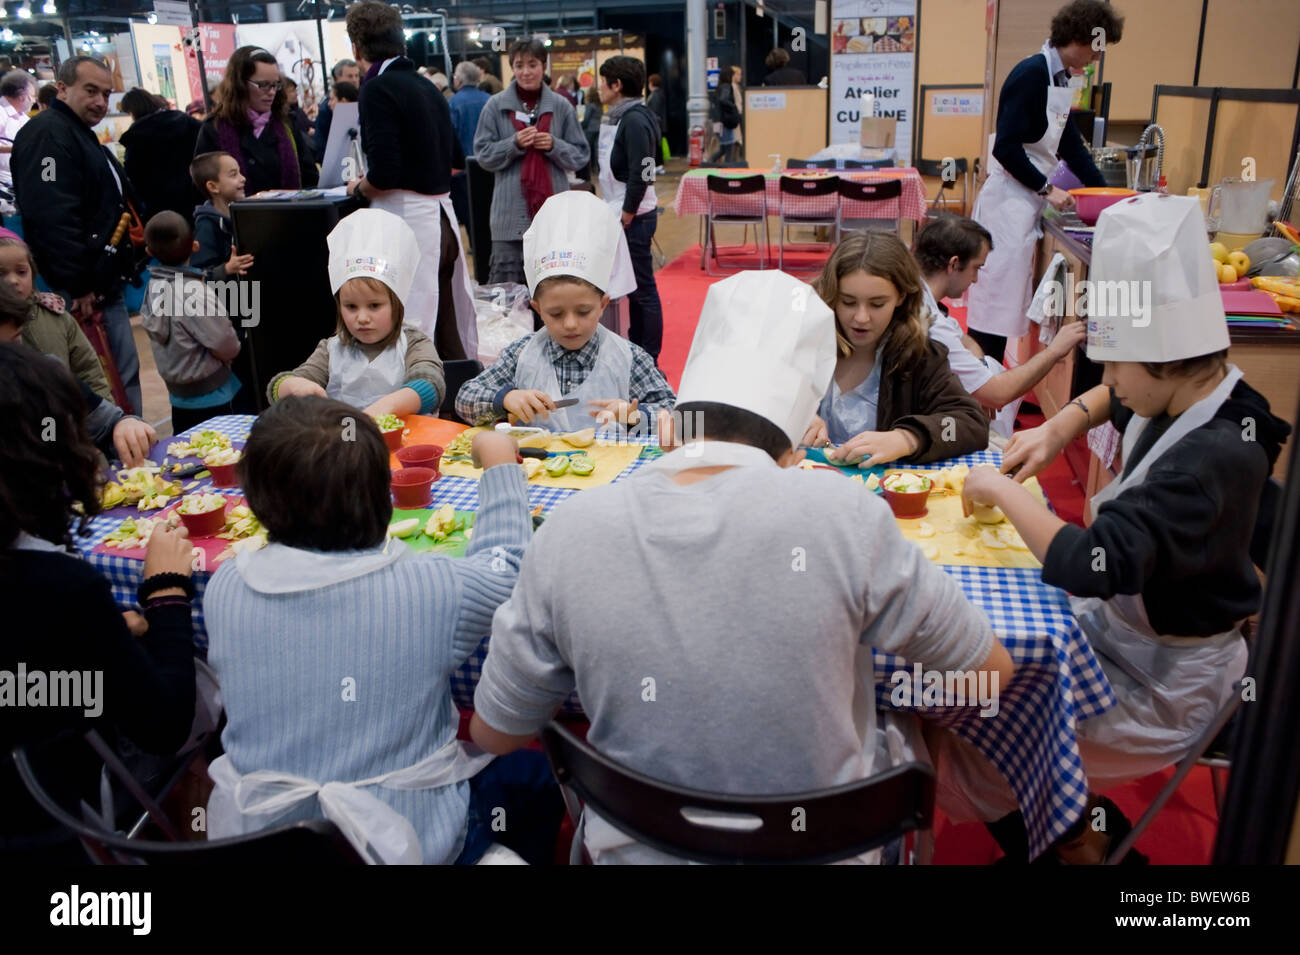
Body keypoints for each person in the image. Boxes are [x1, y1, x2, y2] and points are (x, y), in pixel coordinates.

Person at [468, 268, 1015, 864]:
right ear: (792, 452)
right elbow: (988, 671)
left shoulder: (570, 531)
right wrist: (883, 695)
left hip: (635, 850)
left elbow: (497, 730)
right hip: (822, 849)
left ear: (672, 426)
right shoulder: (846, 516)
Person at [935, 193, 1291, 865]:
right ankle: (1077, 828)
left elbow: (1088, 563)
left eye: (1118, 367)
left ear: (1166, 361)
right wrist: (1066, 423)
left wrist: (1005, 490)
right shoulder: (1203, 390)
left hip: (1165, 684)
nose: (1109, 382)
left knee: (980, 736)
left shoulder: (1210, 459)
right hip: (1123, 637)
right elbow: (1122, 400)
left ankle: (1095, 852)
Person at [202, 396, 559, 864]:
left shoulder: (224, 584)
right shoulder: (427, 588)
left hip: (261, 841)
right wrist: (498, 466)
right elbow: (508, 569)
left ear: (253, 500)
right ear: (382, 493)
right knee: (538, 775)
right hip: (410, 840)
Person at [0, 341, 196, 862]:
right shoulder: (61, 585)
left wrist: (108, 634)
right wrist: (167, 591)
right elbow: (163, 724)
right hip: (57, 820)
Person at [965, 0, 1123, 363]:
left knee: (1005, 312)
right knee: (991, 313)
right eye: (1099, 47)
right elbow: (1005, 147)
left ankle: (992, 391)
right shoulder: (1031, 74)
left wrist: (1104, 192)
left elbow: (1069, 144)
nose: (1099, 57)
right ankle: (977, 394)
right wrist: (1047, 189)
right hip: (1006, 205)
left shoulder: (1058, 77)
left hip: (1023, 205)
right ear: (1081, 38)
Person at [455, 190, 674, 432]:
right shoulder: (522, 355)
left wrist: (638, 415)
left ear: (602, 305)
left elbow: (682, 419)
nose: (570, 324)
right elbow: (465, 398)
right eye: (556, 314)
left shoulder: (628, 359)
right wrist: (504, 399)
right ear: (537, 309)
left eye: (583, 312)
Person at [344, 1, 478, 362]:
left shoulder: (378, 88)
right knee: (445, 323)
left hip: (408, 223)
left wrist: (358, 187)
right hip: (442, 220)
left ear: (356, 46)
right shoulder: (427, 86)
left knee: (410, 327)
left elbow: (384, 174)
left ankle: (417, 412)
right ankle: (450, 408)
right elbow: (455, 159)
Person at [11, 55, 146, 417]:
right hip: (80, 292)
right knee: (101, 383)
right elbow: (50, 212)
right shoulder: (48, 138)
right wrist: (78, 283)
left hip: (99, 282)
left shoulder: (75, 134)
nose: (101, 101)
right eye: (91, 90)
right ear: (62, 88)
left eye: (105, 93)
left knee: (121, 377)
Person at [805, 231, 987, 466]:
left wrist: (907, 438)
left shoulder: (920, 356)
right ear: (832, 294)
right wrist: (791, 412)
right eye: (848, 302)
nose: (861, 317)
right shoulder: (804, 340)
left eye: (877, 304)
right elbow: (749, 391)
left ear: (901, 296)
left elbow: (970, 424)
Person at [914, 215, 1085, 438]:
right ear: (954, 264)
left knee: (989, 375)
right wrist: (1054, 351)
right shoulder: (930, 322)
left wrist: (979, 375)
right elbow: (999, 393)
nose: (975, 279)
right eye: (976, 268)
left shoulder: (925, 297)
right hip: (927, 422)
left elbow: (963, 339)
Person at [269, 209, 445, 417]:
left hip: (406, 443)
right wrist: (294, 386)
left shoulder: (414, 344)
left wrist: (389, 405)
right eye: (351, 307)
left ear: (396, 305)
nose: (362, 318)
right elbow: (277, 386)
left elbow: (431, 383)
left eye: (374, 306)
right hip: (346, 442)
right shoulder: (331, 349)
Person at [0, 248, 155, 467]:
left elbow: (99, 416)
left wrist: (122, 424)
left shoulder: (45, 376)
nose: (12, 357)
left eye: (15, 341)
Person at [473, 36, 589, 286]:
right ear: (512, 68)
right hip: (508, 217)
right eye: (519, 65)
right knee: (509, 302)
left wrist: (554, 145)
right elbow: (483, 155)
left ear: (544, 66)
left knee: (554, 291)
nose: (526, 72)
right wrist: (512, 144)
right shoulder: (495, 106)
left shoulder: (561, 106)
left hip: (553, 215)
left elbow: (581, 155)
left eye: (532, 64)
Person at [139, 211, 243, 434]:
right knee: (220, 452)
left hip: (178, 398)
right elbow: (226, 343)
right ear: (195, 246)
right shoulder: (194, 292)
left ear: (149, 251)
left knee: (189, 454)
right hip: (213, 396)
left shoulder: (153, 287)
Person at [596, 56, 664, 364]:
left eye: (602, 81)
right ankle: (638, 348)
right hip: (623, 209)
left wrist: (627, 211)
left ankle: (648, 355)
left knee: (642, 289)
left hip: (633, 214)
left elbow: (644, 170)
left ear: (616, 85)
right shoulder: (623, 115)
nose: (598, 88)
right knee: (634, 286)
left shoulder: (635, 119)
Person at [193, 46, 318, 198]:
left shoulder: (286, 124)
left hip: (288, 217)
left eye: (275, 85)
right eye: (263, 85)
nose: (271, 92)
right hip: (240, 219)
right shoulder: (214, 128)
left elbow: (310, 178)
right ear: (240, 85)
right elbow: (204, 188)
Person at [118, 88, 202, 222]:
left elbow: (133, 174)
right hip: (196, 197)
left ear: (133, 111)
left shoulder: (136, 137)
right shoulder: (184, 121)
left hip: (160, 207)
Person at [190, 151, 255, 282]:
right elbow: (197, 275)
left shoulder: (245, 213)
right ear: (213, 187)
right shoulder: (206, 226)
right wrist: (226, 269)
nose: (243, 178)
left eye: (240, 172)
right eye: (233, 174)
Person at [448, 60, 490, 245]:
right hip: (490, 164)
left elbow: (450, 135)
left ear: (458, 80)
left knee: (469, 212)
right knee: (488, 208)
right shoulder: (490, 100)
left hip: (463, 168)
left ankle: (475, 245)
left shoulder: (453, 103)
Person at [312, 58, 360, 158]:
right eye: (350, 76)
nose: (354, 80)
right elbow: (321, 144)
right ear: (337, 78)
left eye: (357, 75)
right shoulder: (327, 109)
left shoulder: (365, 100)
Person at [0, 69, 36, 190]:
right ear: (22, 97)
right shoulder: (1, 113)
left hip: (18, 182)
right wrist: (15, 148)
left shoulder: (23, 117)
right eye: (32, 96)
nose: (34, 101)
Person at [707, 66, 743, 163]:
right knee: (729, 149)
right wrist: (733, 106)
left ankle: (709, 163)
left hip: (720, 121)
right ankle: (727, 169)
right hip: (726, 122)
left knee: (723, 149)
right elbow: (724, 99)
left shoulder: (720, 87)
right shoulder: (727, 86)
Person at [644, 72, 668, 169]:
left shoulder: (655, 95)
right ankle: (657, 166)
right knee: (656, 145)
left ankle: (655, 167)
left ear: (652, 83)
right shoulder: (659, 94)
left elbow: (654, 112)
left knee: (653, 146)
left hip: (655, 124)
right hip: (658, 124)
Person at [579, 86, 602, 182]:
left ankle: (589, 170)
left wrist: (581, 125)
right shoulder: (599, 104)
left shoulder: (589, 105)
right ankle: (598, 169)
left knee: (588, 150)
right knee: (597, 150)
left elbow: (586, 118)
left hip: (590, 129)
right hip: (598, 128)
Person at [281, 76, 313, 143]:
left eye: (296, 90)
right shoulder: (285, 117)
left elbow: (309, 125)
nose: (296, 94)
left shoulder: (298, 111)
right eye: (292, 91)